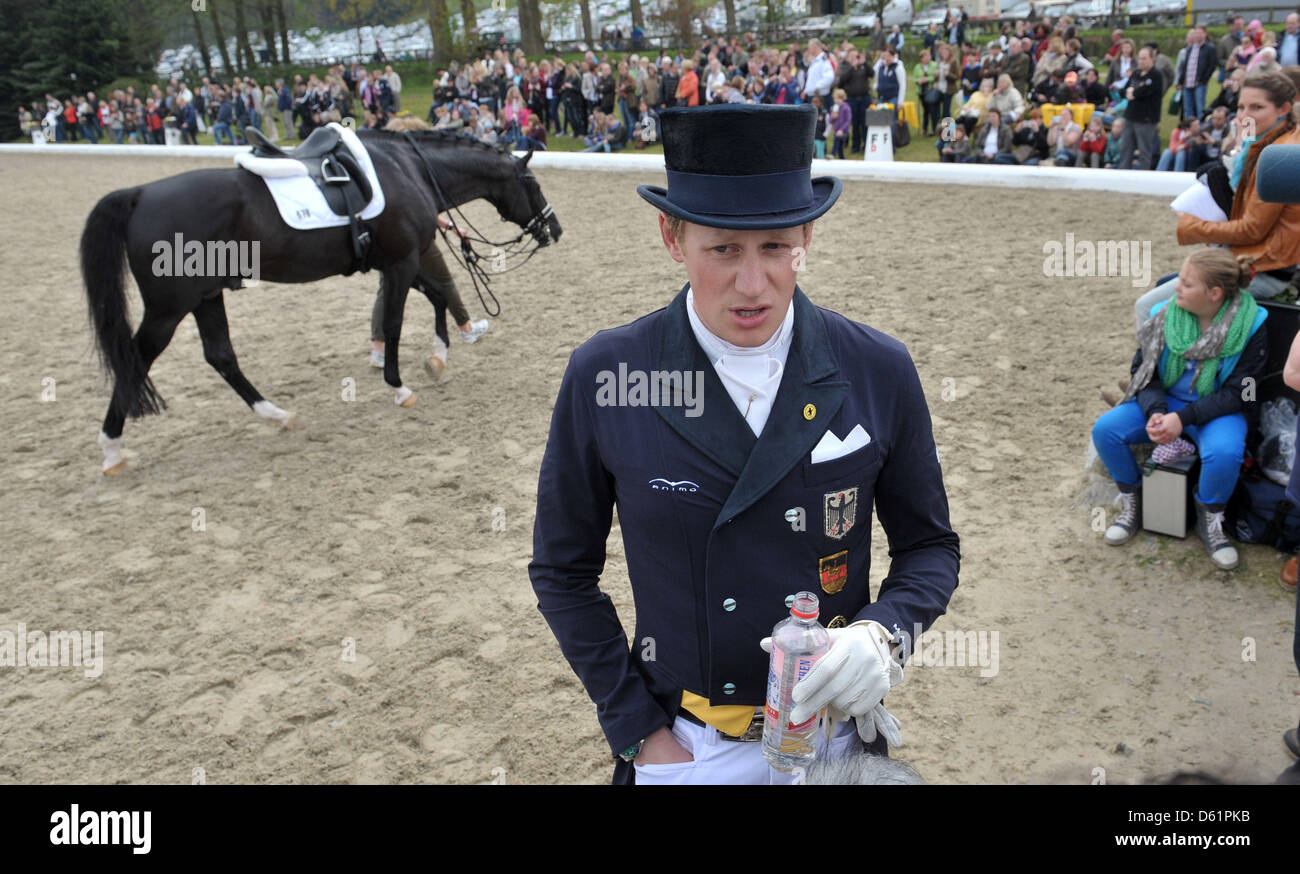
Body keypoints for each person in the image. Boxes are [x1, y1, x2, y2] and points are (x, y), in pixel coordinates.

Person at [528, 103, 960, 785]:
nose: (752, 284)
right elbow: (562, 571)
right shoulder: (609, 376)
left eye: (776, 247)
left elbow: (931, 547)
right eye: (723, 249)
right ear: (672, 236)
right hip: (691, 744)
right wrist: (638, 731)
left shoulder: (878, 367)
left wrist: (884, 633)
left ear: (808, 235)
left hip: (834, 739)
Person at [1093, 250, 1268, 571]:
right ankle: (1133, 503)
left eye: (1186, 284)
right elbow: (1141, 373)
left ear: (1214, 294)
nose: (1176, 288)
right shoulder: (1162, 314)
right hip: (1166, 402)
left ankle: (1210, 520)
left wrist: (1181, 420)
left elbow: (1243, 393)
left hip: (1219, 409)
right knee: (1106, 430)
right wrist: (1158, 412)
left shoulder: (1252, 325)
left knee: (1226, 452)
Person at [1135, 70, 1300, 327]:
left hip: (1266, 267)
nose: (1245, 115)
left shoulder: (1276, 154)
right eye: (1242, 107)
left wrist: (1192, 226)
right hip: (1261, 258)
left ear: (1284, 108)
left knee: (1147, 307)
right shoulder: (1268, 141)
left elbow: (1251, 229)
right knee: (1168, 286)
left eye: (1257, 107)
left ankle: (1166, 367)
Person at [1116, 46, 1163, 171]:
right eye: (1139, 58)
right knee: (1125, 148)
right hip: (1130, 116)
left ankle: (1144, 176)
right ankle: (1123, 174)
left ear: (1152, 59)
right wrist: (1132, 92)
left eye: (1144, 58)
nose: (1141, 61)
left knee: (1144, 151)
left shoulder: (1156, 75)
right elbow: (1125, 90)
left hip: (1145, 119)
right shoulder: (1136, 73)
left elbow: (1145, 91)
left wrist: (1134, 93)